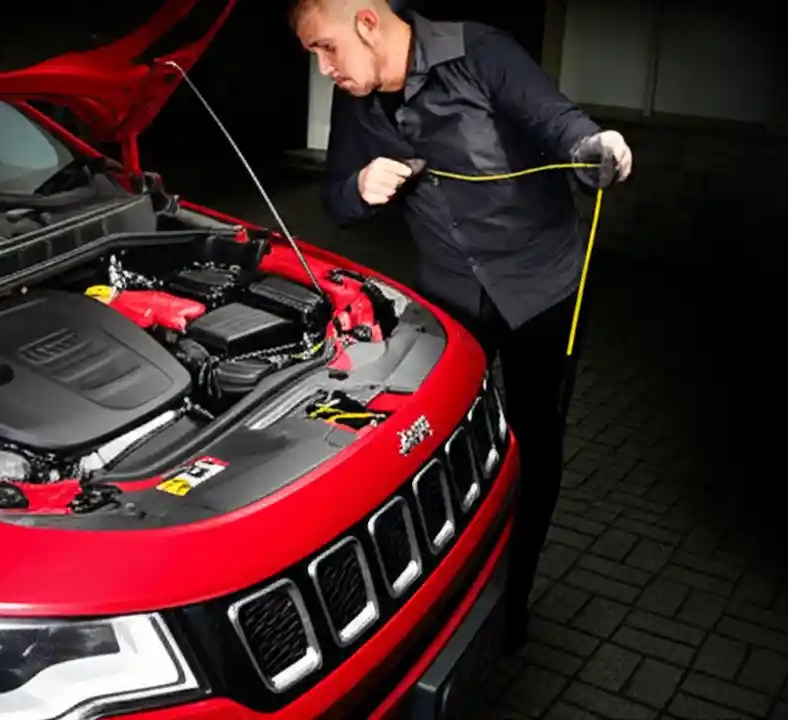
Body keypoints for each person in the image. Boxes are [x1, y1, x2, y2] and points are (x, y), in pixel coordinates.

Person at [287, 0, 632, 650]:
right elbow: (335, 198)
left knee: (534, 444)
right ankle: (439, 588)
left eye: (325, 48)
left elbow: (558, 122)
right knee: (432, 444)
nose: (325, 68)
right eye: (314, 57)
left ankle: (514, 599)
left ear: (366, 21)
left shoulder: (481, 51)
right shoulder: (358, 103)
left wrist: (596, 145)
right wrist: (358, 187)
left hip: (541, 292)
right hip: (450, 302)